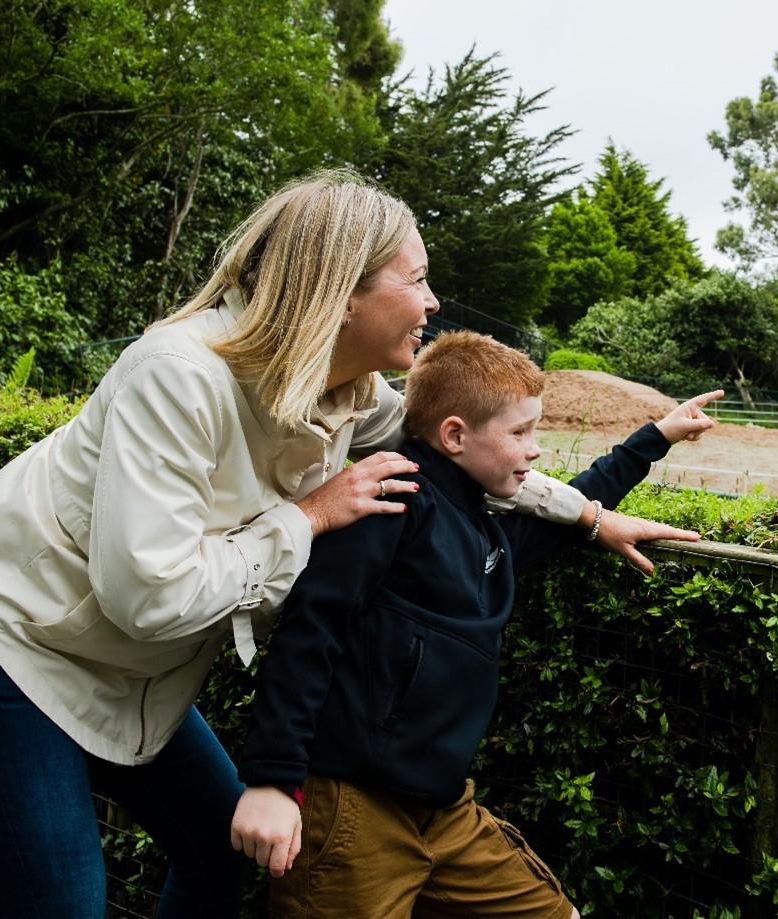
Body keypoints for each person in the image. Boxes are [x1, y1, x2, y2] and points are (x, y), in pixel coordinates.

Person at [0, 170, 695, 919]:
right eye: (413, 278)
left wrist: (588, 515)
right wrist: (305, 517)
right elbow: (147, 594)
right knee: (64, 902)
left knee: (221, 845)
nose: (432, 298)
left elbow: (465, 453)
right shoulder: (175, 375)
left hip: (115, 663)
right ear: (342, 291)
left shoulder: (346, 387)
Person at [229, 328, 723, 919]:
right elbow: (310, 631)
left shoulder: (483, 525)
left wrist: (656, 437)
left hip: (446, 810)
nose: (535, 449)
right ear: (455, 435)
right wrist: (273, 781)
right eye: (520, 432)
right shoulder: (392, 504)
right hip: (353, 808)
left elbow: (573, 500)